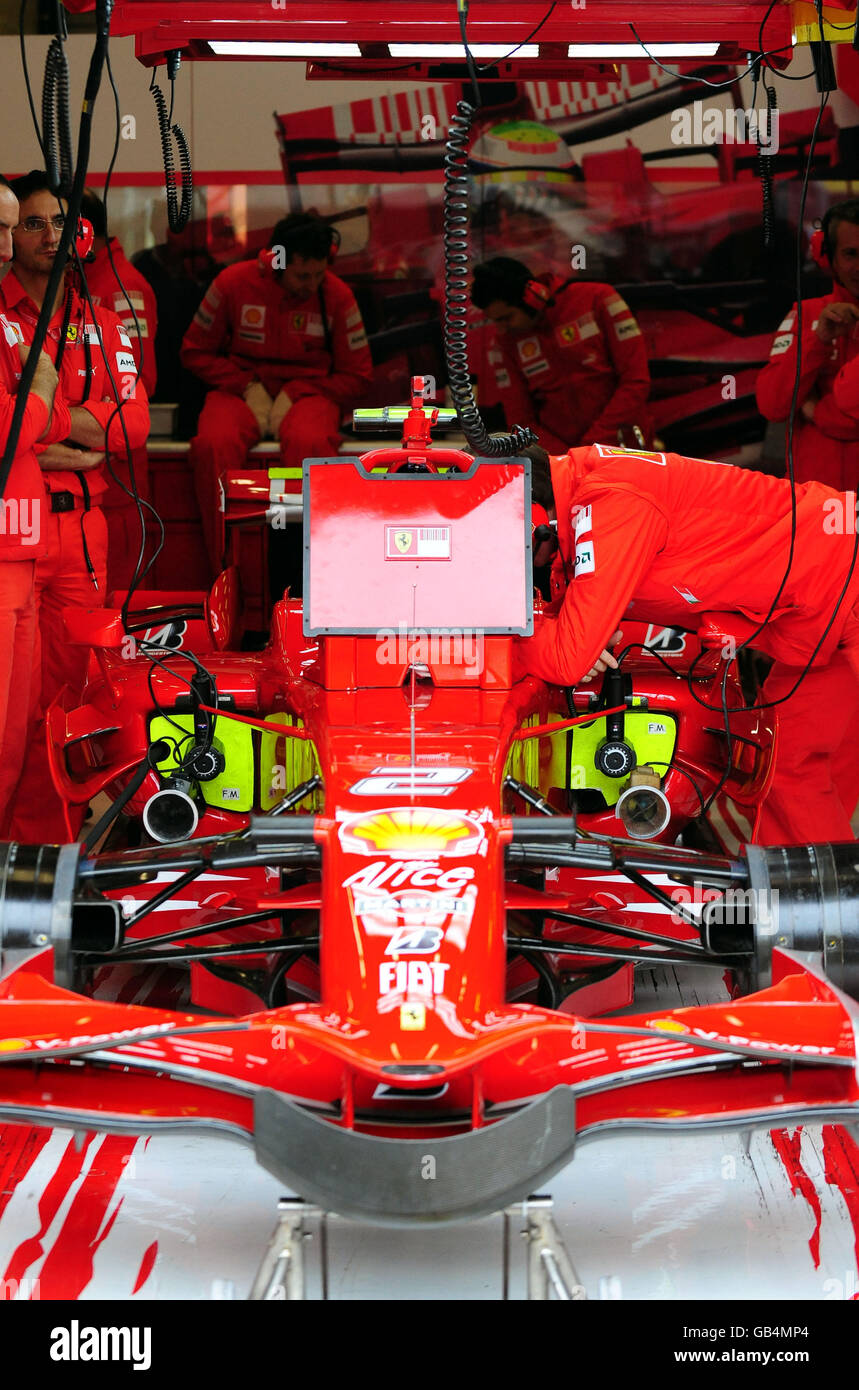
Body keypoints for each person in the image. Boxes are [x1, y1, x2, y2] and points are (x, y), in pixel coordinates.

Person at [516, 443, 859, 846]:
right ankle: (826, 905)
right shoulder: (588, 494)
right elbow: (572, 637)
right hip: (821, 616)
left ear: (533, 520)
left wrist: (499, 636)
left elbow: (566, 658)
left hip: (839, 579)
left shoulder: (613, 501)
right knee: (786, 765)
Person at [0, 171, 150, 842]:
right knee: (10, 713)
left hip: (84, 535)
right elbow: (12, 433)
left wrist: (42, 426)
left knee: (68, 708)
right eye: (31, 223)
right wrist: (64, 429)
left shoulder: (105, 319)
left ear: (84, 237)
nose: (47, 236)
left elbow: (130, 430)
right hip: (13, 529)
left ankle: (43, 864)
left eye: (61, 224)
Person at [181, 213, 374, 581]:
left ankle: (312, 577)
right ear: (277, 261)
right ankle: (224, 573)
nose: (311, 285)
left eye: (318, 275)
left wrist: (297, 391)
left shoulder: (336, 295)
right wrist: (245, 385)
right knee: (212, 444)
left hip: (310, 393)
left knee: (311, 441)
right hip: (239, 388)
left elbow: (358, 376)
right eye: (303, 276)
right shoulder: (233, 284)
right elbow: (193, 352)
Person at [0, 174, 70, 831]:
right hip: (4, 557)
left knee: (20, 736)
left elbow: (46, 419)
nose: (4, 247)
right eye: (3, 229)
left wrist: (40, 407)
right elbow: (12, 423)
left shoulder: (12, 324)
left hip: (24, 544)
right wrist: (41, 400)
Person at [470, 256, 651, 453]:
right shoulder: (503, 344)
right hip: (560, 459)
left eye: (507, 318)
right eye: (496, 321)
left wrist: (593, 445)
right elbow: (521, 420)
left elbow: (635, 381)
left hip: (624, 448)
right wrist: (566, 458)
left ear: (533, 298)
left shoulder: (600, 299)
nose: (502, 327)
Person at [79, 187, 158, 590]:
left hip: (116, 477)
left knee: (118, 595)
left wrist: (72, 418)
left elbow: (139, 382)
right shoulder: (75, 283)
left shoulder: (123, 287)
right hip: (79, 479)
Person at [756, 200, 859, 493]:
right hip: (814, 506)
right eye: (851, 254)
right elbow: (773, 405)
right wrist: (818, 341)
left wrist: (816, 411)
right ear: (827, 257)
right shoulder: (807, 315)